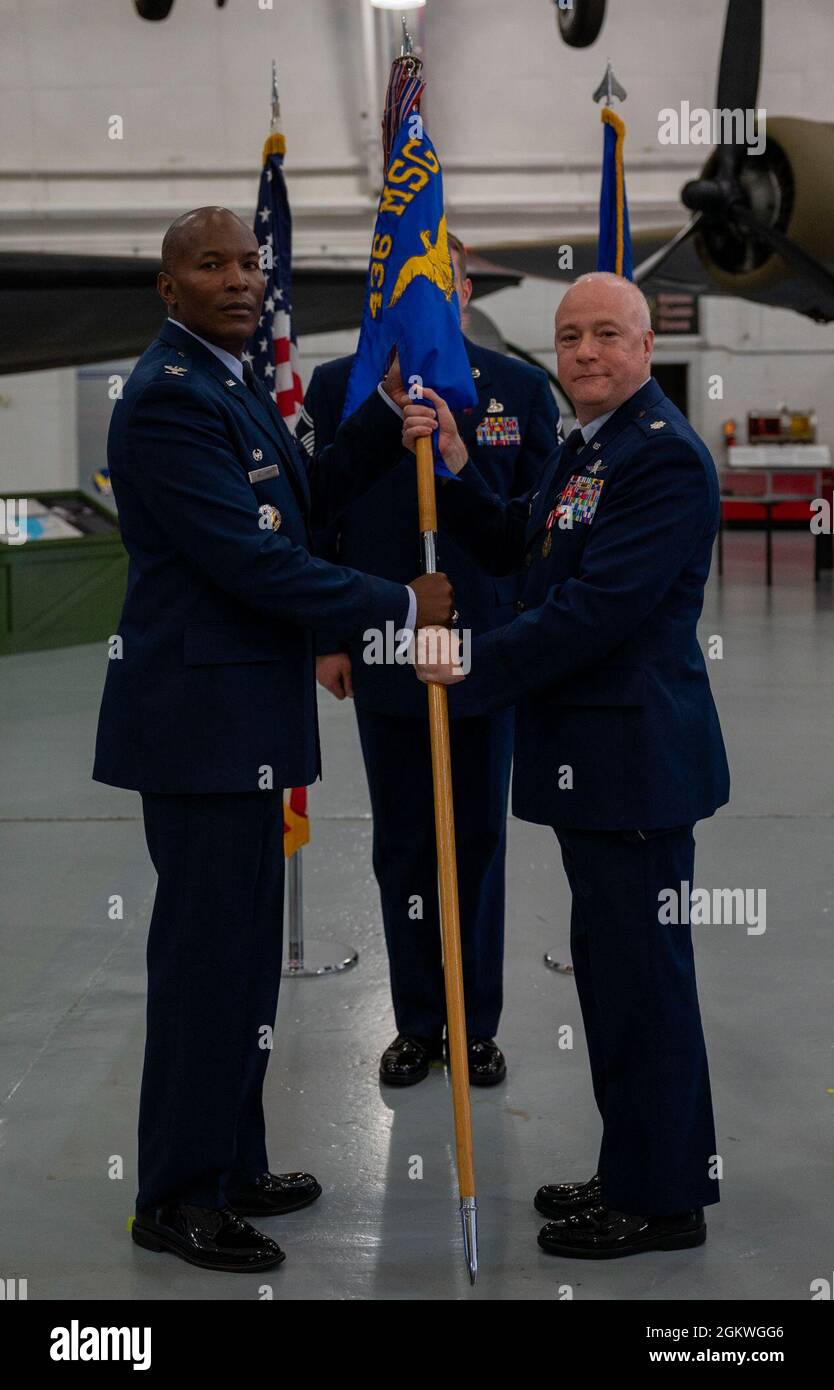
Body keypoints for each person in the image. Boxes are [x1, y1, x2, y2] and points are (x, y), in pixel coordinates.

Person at [92, 206, 454, 1274]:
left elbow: (289, 514)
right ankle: (175, 1195)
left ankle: (233, 1163)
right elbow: (251, 566)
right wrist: (398, 599)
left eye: (251, 263)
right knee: (207, 967)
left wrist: (383, 423)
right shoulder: (167, 401)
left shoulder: (235, 383)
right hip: (199, 730)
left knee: (245, 967)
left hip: (247, 724)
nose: (243, 281)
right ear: (170, 288)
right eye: (213, 265)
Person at [406, 272, 730, 1259]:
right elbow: (526, 549)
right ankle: (633, 1165)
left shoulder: (663, 460)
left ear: (643, 343)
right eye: (569, 337)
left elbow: (596, 611)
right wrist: (460, 465)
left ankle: (663, 1199)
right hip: (598, 759)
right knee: (615, 974)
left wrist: (469, 664)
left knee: (644, 983)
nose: (584, 353)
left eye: (605, 335)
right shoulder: (594, 446)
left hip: (635, 757)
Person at [298, 233, 559, 1088]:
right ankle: (416, 1019)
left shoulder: (518, 388)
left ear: (464, 288)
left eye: (432, 285)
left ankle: (472, 1022)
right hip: (382, 647)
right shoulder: (340, 389)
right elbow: (317, 523)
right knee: (405, 843)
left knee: (477, 840)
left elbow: (539, 529)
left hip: (486, 654)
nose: (415, 304)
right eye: (398, 288)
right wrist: (329, 638)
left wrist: (524, 639)